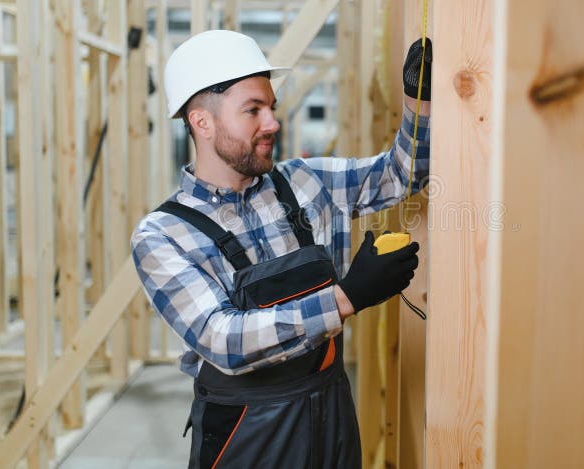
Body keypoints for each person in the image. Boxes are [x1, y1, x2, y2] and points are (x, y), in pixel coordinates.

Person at [130, 29, 431, 469]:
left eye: (270, 107)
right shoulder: (164, 234)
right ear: (202, 122)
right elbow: (224, 340)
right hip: (246, 436)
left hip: (332, 416)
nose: (272, 122)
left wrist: (418, 102)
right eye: (253, 110)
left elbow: (403, 175)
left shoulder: (308, 183)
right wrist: (347, 297)